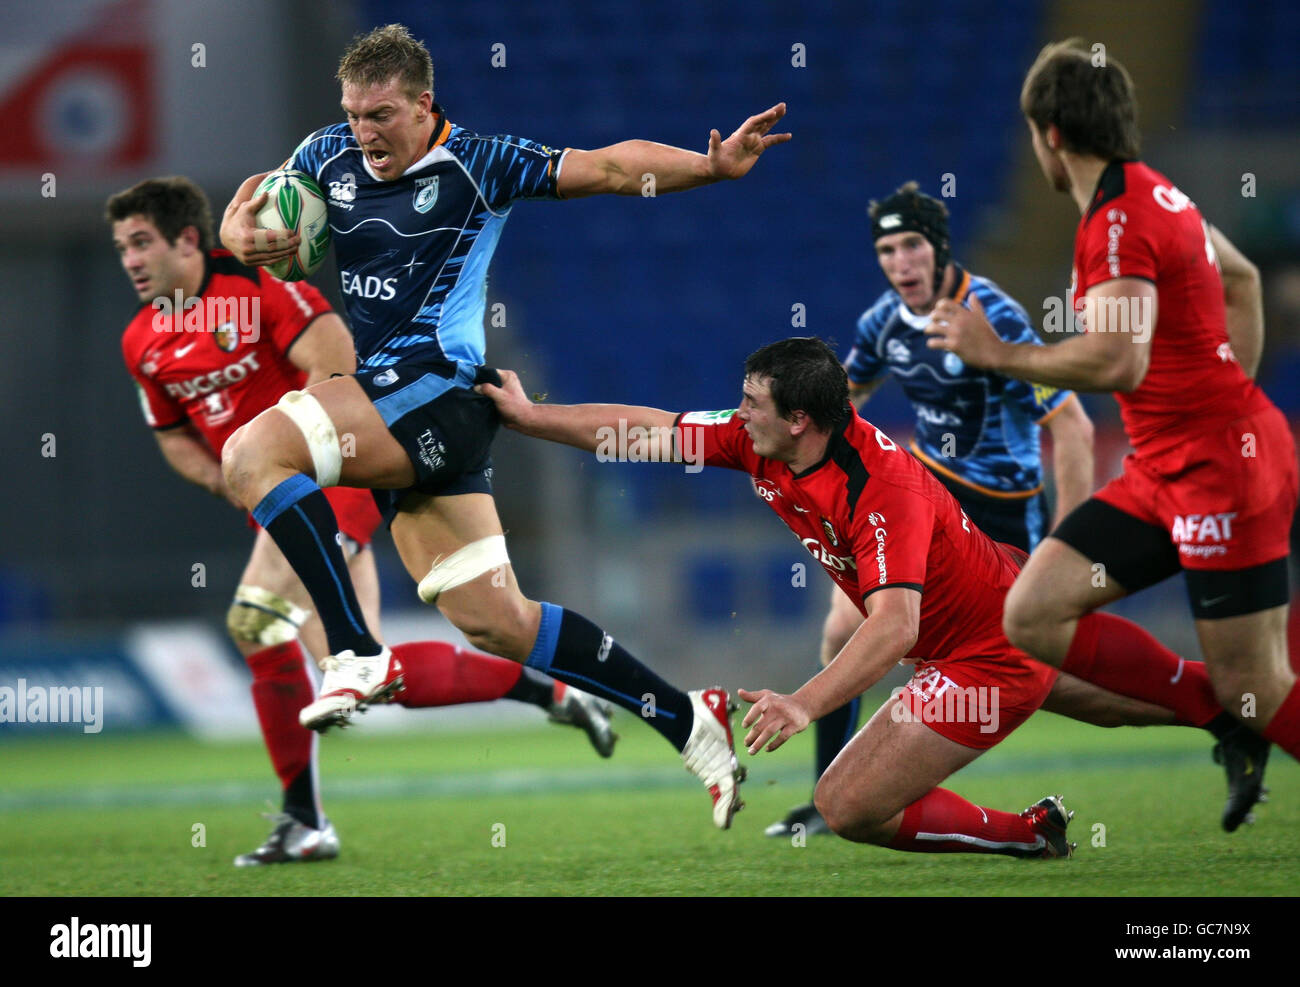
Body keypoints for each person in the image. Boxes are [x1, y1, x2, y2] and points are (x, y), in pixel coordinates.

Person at [218, 24, 789, 827]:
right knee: (499, 619)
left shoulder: (480, 162)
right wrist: (236, 234)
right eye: (352, 115)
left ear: (423, 104)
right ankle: (688, 716)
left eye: (380, 114)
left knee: (253, 453)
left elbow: (610, 167)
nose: (363, 133)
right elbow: (254, 202)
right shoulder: (327, 155)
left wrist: (708, 166)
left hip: (438, 391)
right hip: (392, 405)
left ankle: (351, 648)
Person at [481, 337, 1256, 857]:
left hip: (983, 654)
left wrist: (805, 702)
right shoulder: (759, 440)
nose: (736, 411)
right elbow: (645, 430)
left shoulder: (879, 487)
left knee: (847, 805)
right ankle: (1250, 711)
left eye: (751, 402)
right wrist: (531, 417)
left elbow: (894, 624)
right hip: (1005, 613)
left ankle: (1026, 834)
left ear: (800, 421)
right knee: (1140, 699)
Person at [109, 176, 617, 866]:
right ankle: (553, 692)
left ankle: (303, 820)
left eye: (142, 243)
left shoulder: (261, 290)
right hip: (274, 503)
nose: (131, 260)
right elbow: (173, 435)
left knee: (254, 619)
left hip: (330, 478)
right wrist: (231, 480)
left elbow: (334, 359)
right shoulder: (140, 339)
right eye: (122, 248)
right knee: (368, 672)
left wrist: (280, 452)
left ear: (189, 241)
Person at [925, 39, 1294, 831]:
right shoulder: (1156, 195)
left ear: (1050, 134)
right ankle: (1224, 720)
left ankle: (1236, 713)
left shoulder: (1119, 222)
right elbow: (1244, 280)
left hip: (1217, 471)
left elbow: (1117, 359)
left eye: (1032, 133)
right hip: (1168, 470)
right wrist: (1227, 387)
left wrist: (998, 353)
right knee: (1035, 612)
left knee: (1260, 682)